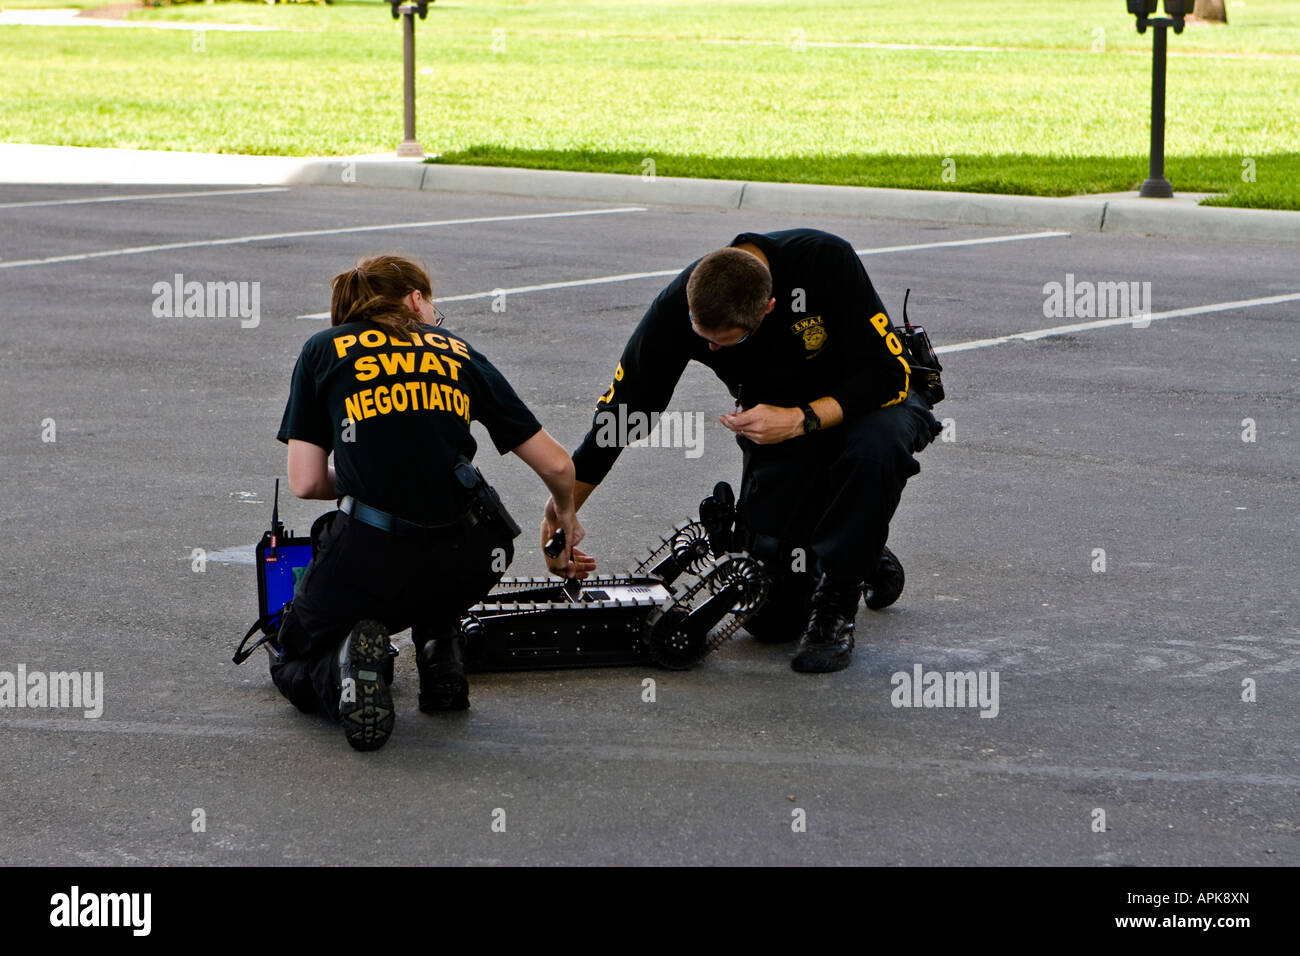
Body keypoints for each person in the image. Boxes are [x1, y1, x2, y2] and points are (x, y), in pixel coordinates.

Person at [541, 228, 941, 674]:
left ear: (768, 310)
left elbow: (889, 376)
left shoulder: (825, 260)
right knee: (772, 620)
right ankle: (851, 538)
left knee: (875, 451)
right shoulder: (678, 305)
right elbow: (624, 411)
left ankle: (837, 603)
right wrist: (563, 508)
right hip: (779, 426)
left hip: (872, 404)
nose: (710, 350)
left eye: (724, 343)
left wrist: (800, 418)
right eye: (701, 336)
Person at [271, 254, 588, 751]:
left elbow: (307, 483)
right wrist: (564, 515)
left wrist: (366, 473)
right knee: (441, 524)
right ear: (416, 299)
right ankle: (442, 655)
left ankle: (344, 672)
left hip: (369, 560)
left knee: (291, 655)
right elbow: (557, 465)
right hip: (467, 559)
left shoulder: (322, 350)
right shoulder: (455, 349)